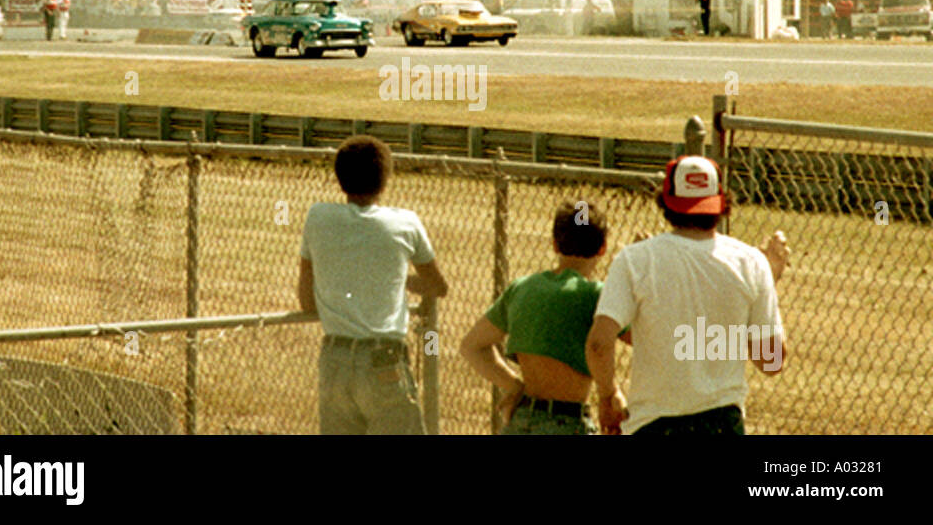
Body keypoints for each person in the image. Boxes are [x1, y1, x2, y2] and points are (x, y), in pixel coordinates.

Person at [586, 155, 789, 436]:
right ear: (721, 203)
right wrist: (769, 279)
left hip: (656, 425)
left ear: (666, 202)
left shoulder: (636, 259)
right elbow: (771, 361)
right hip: (723, 424)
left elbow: (599, 343)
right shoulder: (751, 262)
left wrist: (607, 396)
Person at [298, 135, 448, 435]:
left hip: (333, 361)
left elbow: (306, 301)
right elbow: (437, 286)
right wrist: (393, 278)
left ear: (340, 178)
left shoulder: (317, 217)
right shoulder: (405, 222)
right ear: (385, 179)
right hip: (384, 360)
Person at [460, 200, 629, 435]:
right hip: (568, 421)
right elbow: (638, 336)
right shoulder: (597, 295)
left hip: (521, 419)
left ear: (555, 245)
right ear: (603, 248)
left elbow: (472, 346)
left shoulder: (522, 288)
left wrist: (514, 385)